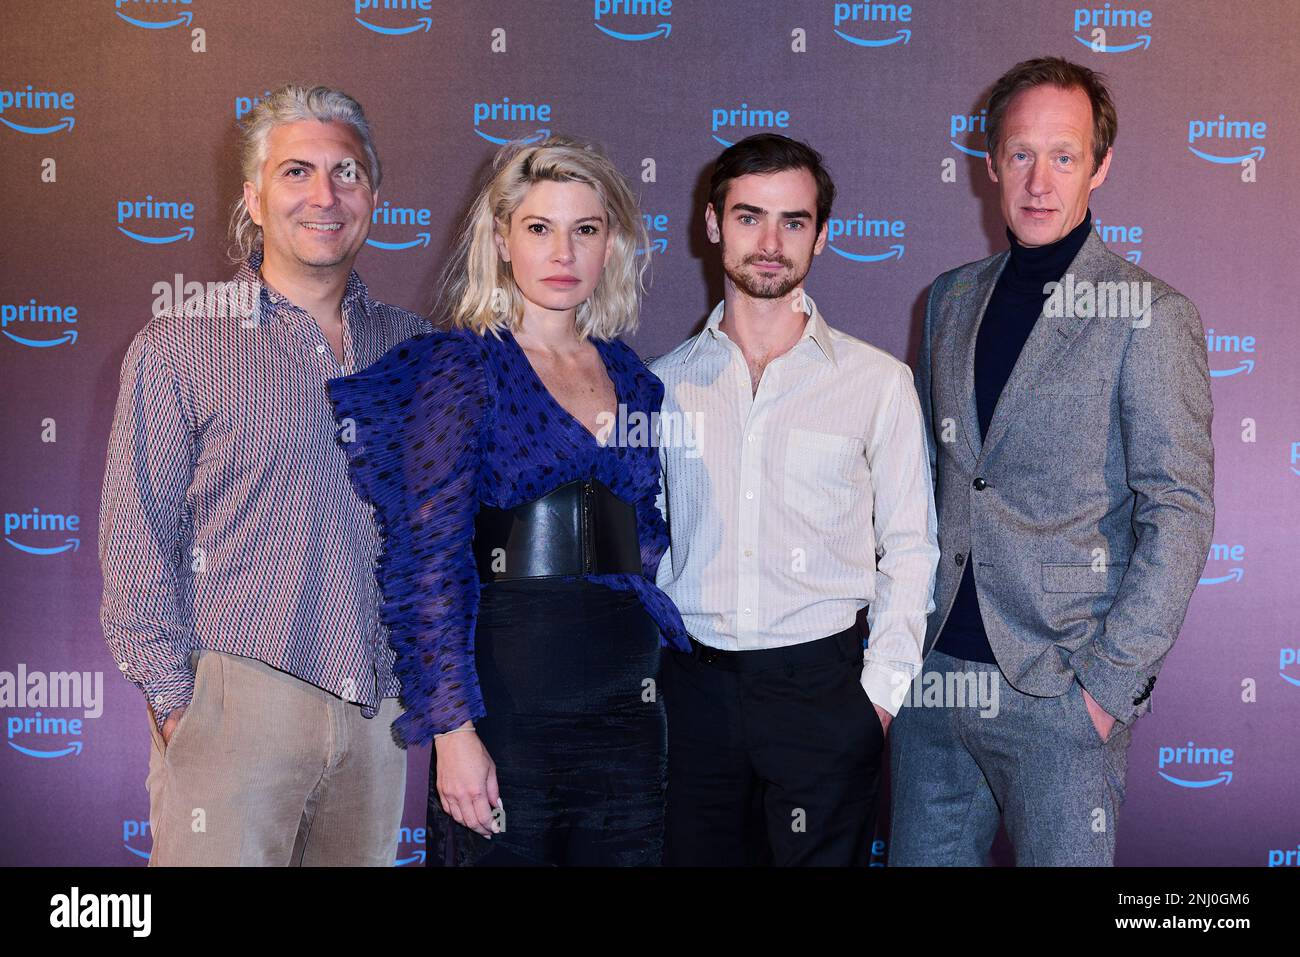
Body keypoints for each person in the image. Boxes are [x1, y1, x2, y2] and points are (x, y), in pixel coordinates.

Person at [328, 136, 688, 866]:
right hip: (511, 702)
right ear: (500, 239)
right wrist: (455, 731)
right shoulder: (463, 364)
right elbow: (425, 561)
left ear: (610, 243)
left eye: (585, 229)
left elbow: (644, 535)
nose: (564, 251)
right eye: (538, 228)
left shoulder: (635, 376)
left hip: (629, 707)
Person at [890, 57, 1215, 866]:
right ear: (991, 161)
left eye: (1064, 156)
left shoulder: (1150, 314)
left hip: (1061, 693)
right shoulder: (947, 300)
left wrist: (1104, 691)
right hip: (933, 689)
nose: (1040, 181)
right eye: (1022, 154)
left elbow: (1178, 509)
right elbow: (931, 485)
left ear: (1100, 165)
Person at [99, 85, 429, 865]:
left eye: (346, 172)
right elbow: (135, 539)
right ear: (252, 195)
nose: (324, 195)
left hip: (376, 713)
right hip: (233, 706)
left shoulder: (415, 350)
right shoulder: (180, 345)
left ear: (374, 196)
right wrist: (184, 709)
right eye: (296, 172)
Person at [651, 134, 939, 866]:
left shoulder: (877, 383)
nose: (770, 242)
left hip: (824, 695)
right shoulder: (660, 387)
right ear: (713, 224)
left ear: (822, 234)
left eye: (795, 221)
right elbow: (647, 543)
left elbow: (911, 547)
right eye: (749, 217)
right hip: (692, 695)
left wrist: (877, 700)